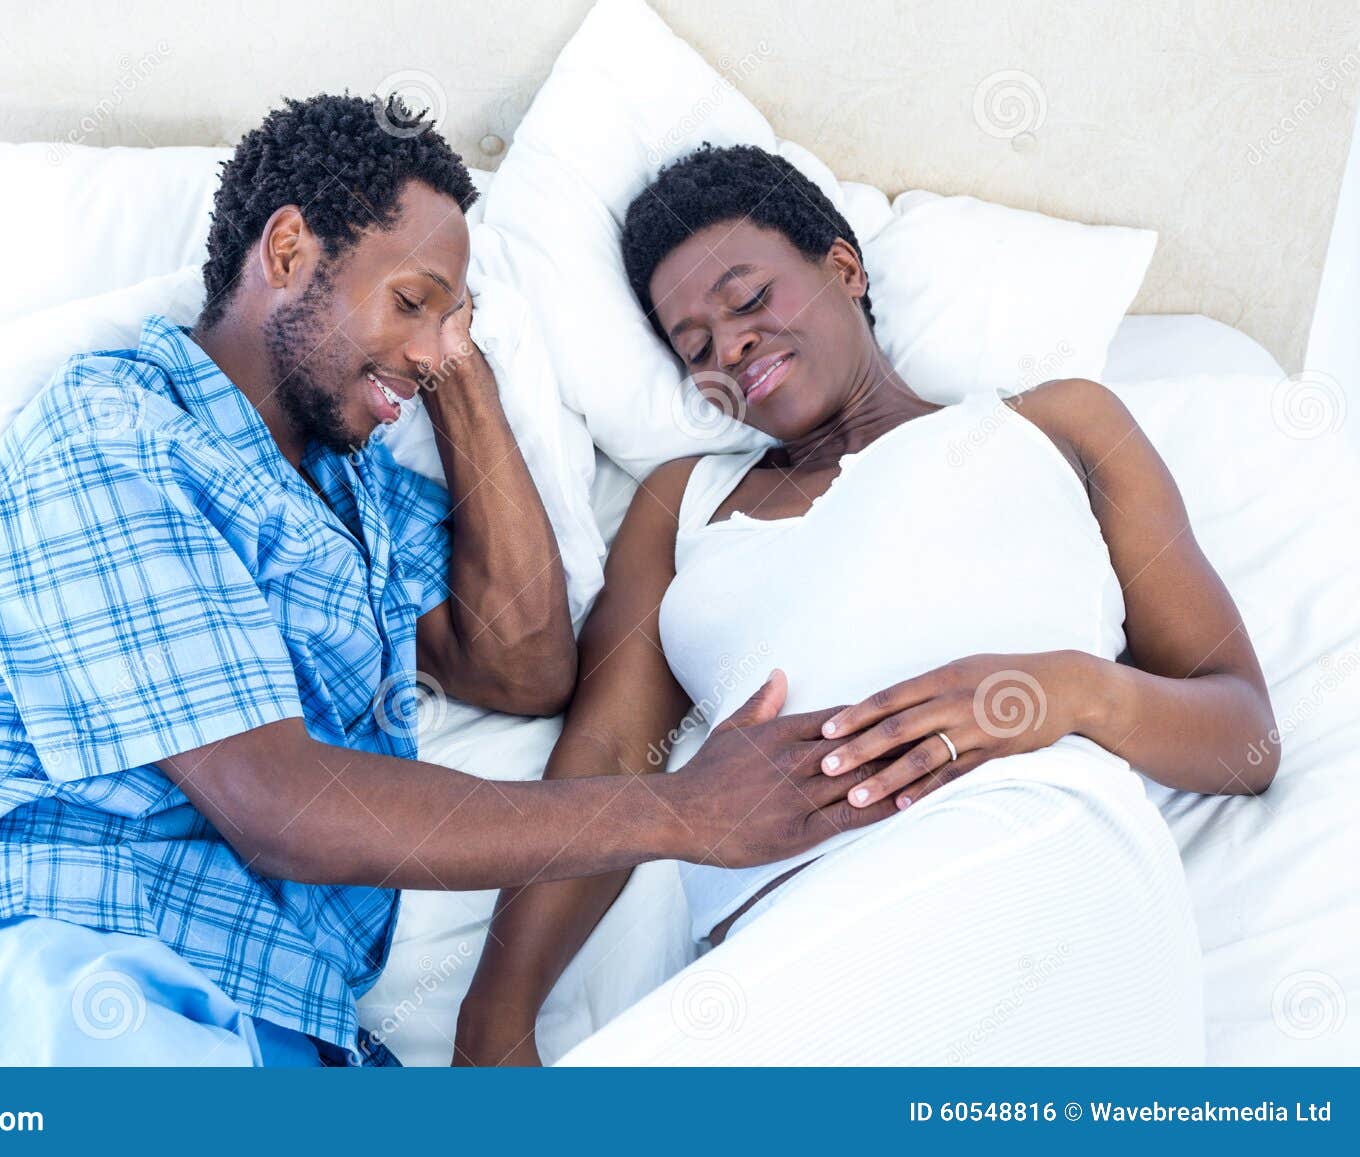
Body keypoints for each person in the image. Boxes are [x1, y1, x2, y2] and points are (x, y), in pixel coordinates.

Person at [0, 103, 853, 1068]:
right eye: (409, 300)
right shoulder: (116, 435)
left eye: (453, 316)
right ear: (286, 252)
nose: (429, 345)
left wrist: (455, 370)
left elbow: (527, 666)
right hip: (61, 964)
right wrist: (683, 810)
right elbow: (275, 802)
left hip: (283, 1021)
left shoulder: (353, 493)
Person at [454, 144, 1278, 1066]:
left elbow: (1246, 735)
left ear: (843, 267)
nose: (730, 347)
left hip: (1028, 865)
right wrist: (494, 1018)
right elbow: (607, 758)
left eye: (748, 299)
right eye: (696, 347)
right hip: (772, 961)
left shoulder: (1054, 424)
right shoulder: (681, 507)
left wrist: (1072, 691)